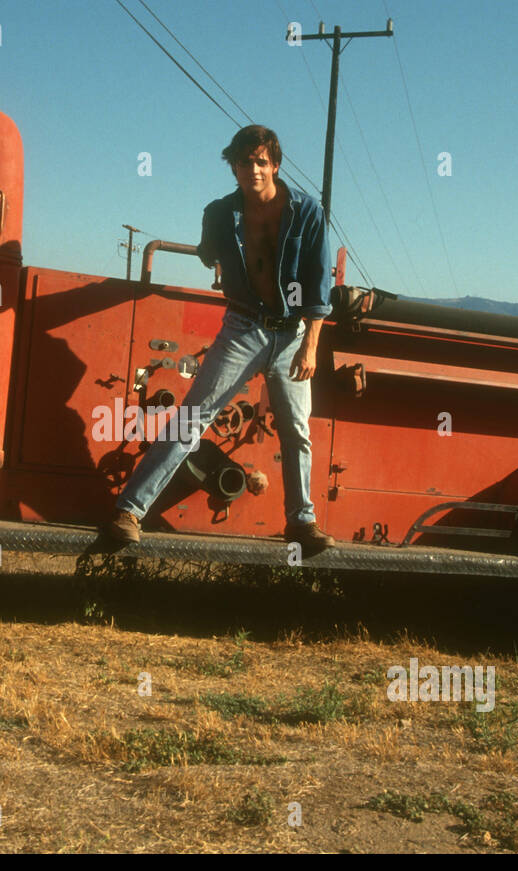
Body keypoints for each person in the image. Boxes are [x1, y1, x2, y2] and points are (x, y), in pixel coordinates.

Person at [105, 124, 336, 554]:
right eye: (245, 161)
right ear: (233, 166)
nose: (253, 169)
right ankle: (130, 510)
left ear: (276, 165)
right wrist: (221, 268)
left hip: (292, 335)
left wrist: (311, 346)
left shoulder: (306, 211)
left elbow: (319, 281)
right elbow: (208, 249)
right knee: (193, 418)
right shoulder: (219, 212)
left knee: (297, 431)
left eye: (261, 161)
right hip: (243, 327)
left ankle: (301, 523)